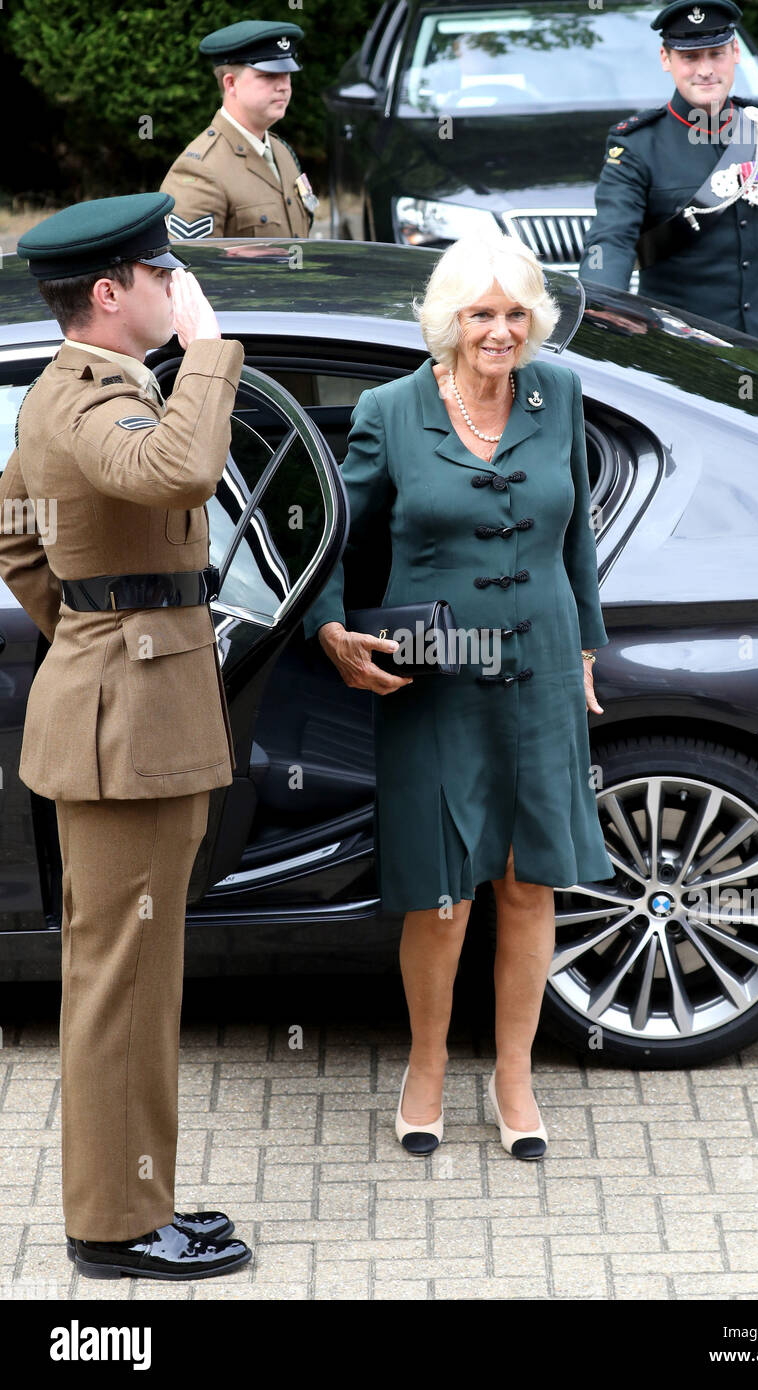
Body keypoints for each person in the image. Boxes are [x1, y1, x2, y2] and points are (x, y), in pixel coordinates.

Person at [301, 234, 613, 1162]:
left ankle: (514, 1074)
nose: (500, 330)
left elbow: (577, 537)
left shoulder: (559, 396)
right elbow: (333, 533)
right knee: (441, 893)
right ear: (447, 322)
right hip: (437, 673)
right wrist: (328, 629)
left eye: (516, 313)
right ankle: (428, 1064)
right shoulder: (390, 411)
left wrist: (589, 646)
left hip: (544, 665)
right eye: (481, 313)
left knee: (528, 884)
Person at [0, 192, 252, 1280]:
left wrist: (87, 634)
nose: (174, 287)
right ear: (111, 293)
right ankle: (112, 1225)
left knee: (134, 976)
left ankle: (133, 1197)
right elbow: (177, 474)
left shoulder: (74, 391)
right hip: (129, 730)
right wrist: (209, 349)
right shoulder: (96, 398)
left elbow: (16, 537)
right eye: (160, 276)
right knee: (122, 983)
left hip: (122, 714)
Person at [578, 0, 758, 367]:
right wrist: (602, 306)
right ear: (666, 58)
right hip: (683, 354)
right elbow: (611, 238)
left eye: (716, 54)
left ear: (735, 53)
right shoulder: (637, 145)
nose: (705, 70)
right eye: (690, 57)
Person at [160, 20, 317, 241]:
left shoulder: (281, 153)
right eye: (269, 76)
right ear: (231, 84)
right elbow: (193, 267)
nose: (284, 86)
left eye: (287, 74)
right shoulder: (200, 170)